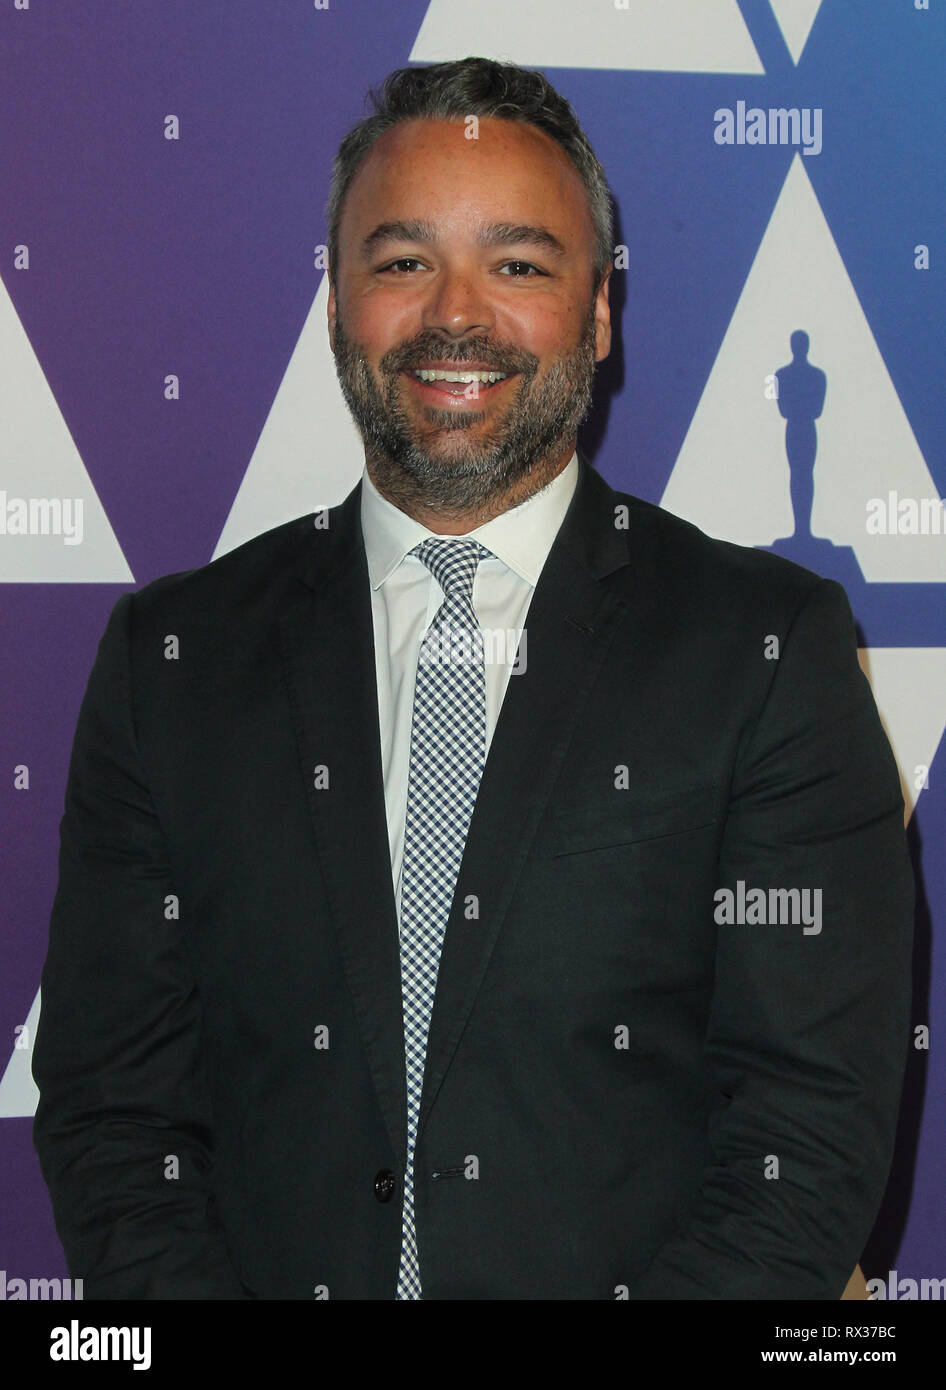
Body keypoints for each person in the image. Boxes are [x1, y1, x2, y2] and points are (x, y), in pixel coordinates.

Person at [32, 56, 914, 1300]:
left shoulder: (766, 653)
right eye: (401, 262)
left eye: (518, 264)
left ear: (598, 313)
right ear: (336, 304)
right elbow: (114, 1117)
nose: (456, 316)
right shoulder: (171, 666)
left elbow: (806, 1135)